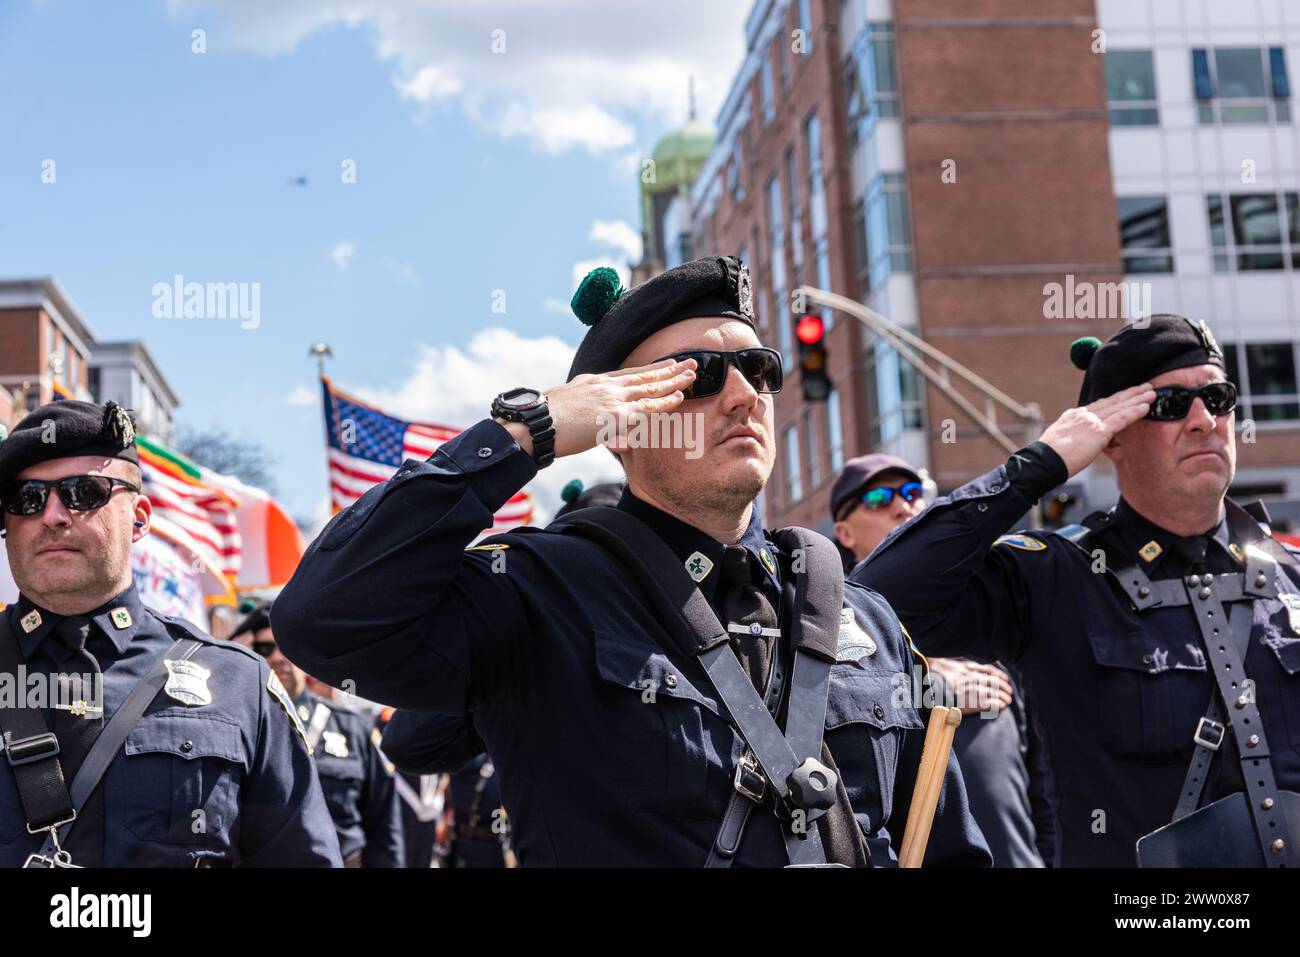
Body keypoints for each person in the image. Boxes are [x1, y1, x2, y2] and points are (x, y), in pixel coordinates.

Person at [273, 255, 990, 867]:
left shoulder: (858, 612)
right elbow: (322, 619)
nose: (742, 394)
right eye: (700, 376)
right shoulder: (536, 591)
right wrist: (531, 428)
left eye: (758, 368)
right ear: (619, 420)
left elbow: (952, 843)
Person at [855, 315, 1300, 867]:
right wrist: (1040, 465)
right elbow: (873, 599)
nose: (1204, 419)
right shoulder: (1058, 576)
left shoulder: (1289, 575)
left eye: (1217, 396)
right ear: (1110, 435)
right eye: (1169, 404)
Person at [0, 400, 339, 867]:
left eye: (84, 492)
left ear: (139, 518)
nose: (54, 514)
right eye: (27, 499)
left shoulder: (238, 684)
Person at [831, 454, 1055, 867]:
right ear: (843, 532)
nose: (902, 505)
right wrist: (932, 686)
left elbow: (1040, 788)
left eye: (913, 492)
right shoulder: (827, 623)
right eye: (879, 498)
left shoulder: (981, 620)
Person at [232, 601, 404, 867]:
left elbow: (385, 828)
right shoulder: (233, 728)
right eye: (264, 649)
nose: (277, 658)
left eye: (285, 648)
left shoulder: (352, 728)